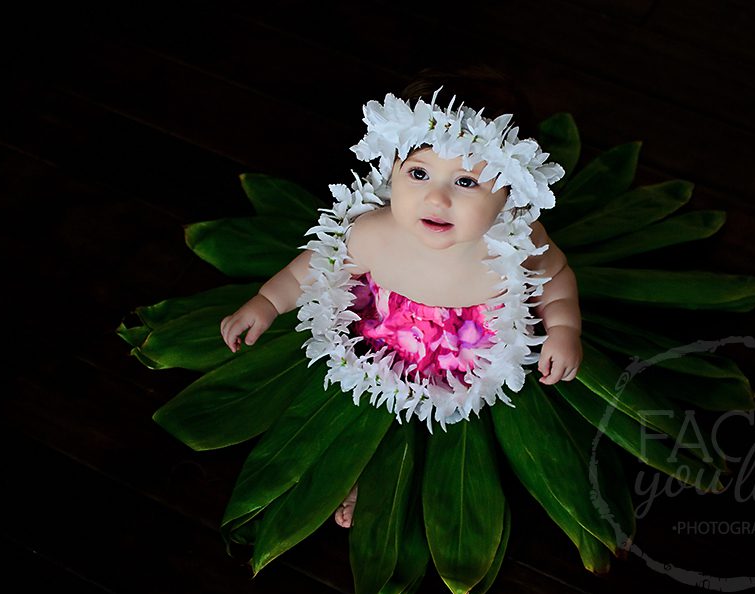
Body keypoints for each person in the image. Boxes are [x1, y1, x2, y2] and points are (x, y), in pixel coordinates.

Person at [219, 72, 582, 528]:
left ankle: (398, 480)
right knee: (362, 413)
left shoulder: (517, 244)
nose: (436, 198)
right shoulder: (373, 234)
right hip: (385, 341)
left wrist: (563, 329)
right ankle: (353, 473)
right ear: (391, 168)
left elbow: (556, 279)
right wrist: (268, 302)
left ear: (510, 192)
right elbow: (313, 267)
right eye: (418, 173)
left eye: (466, 181)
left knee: (443, 431)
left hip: (466, 354)